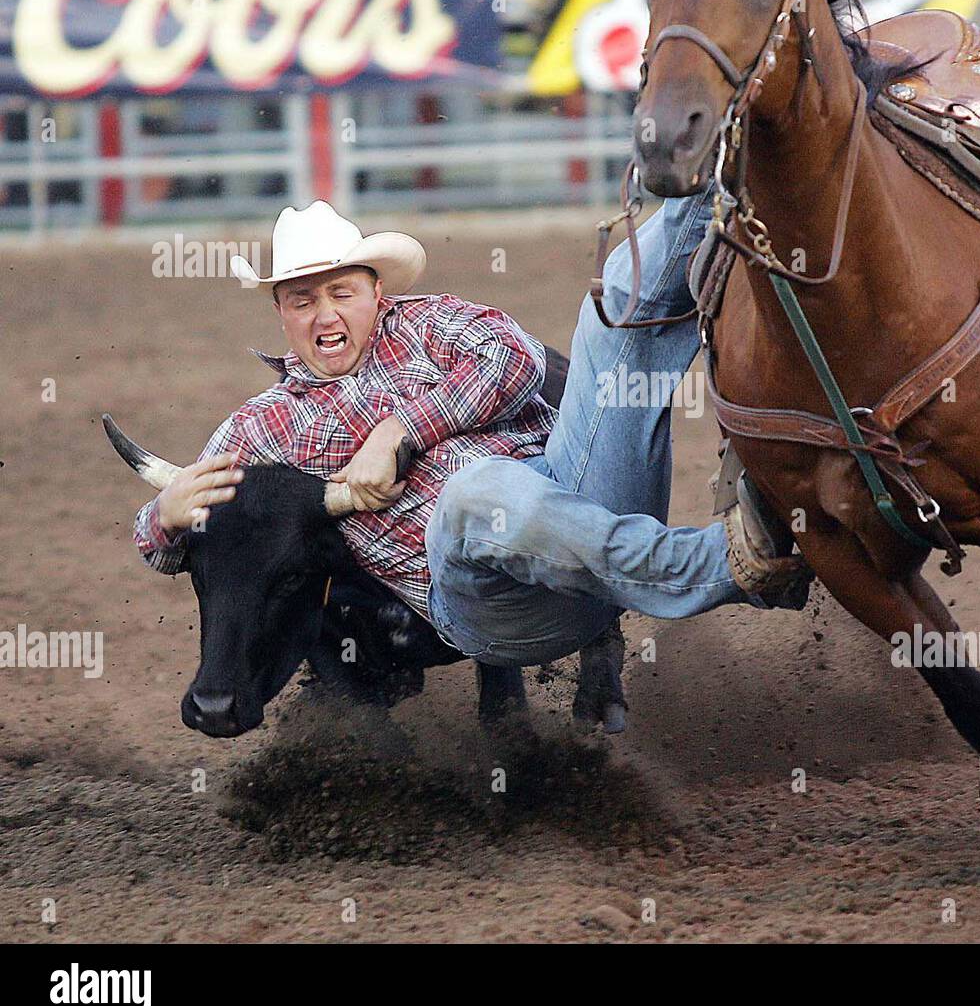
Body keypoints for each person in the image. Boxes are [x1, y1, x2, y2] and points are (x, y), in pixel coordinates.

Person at [133, 197, 807, 673]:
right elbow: (169, 533)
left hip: (576, 490)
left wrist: (401, 429)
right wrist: (165, 517)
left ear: (375, 292)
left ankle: (727, 177)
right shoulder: (264, 426)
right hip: (489, 603)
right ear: (281, 314)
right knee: (474, 496)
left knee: (615, 302)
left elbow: (517, 360)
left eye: (340, 292)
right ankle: (739, 564)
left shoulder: (427, 322)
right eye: (302, 300)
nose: (324, 314)